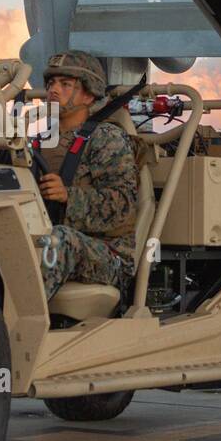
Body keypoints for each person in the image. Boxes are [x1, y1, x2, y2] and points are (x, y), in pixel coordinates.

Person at [33, 51, 141, 299]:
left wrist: (67, 196)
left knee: (56, 242)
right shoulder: (39, 142)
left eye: (65, 84)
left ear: (88, 94)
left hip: (107, 254)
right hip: (48, 234)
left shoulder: (106, 139)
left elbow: (122, 207)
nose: (53, 90)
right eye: (51, 83)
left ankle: (13, 327)